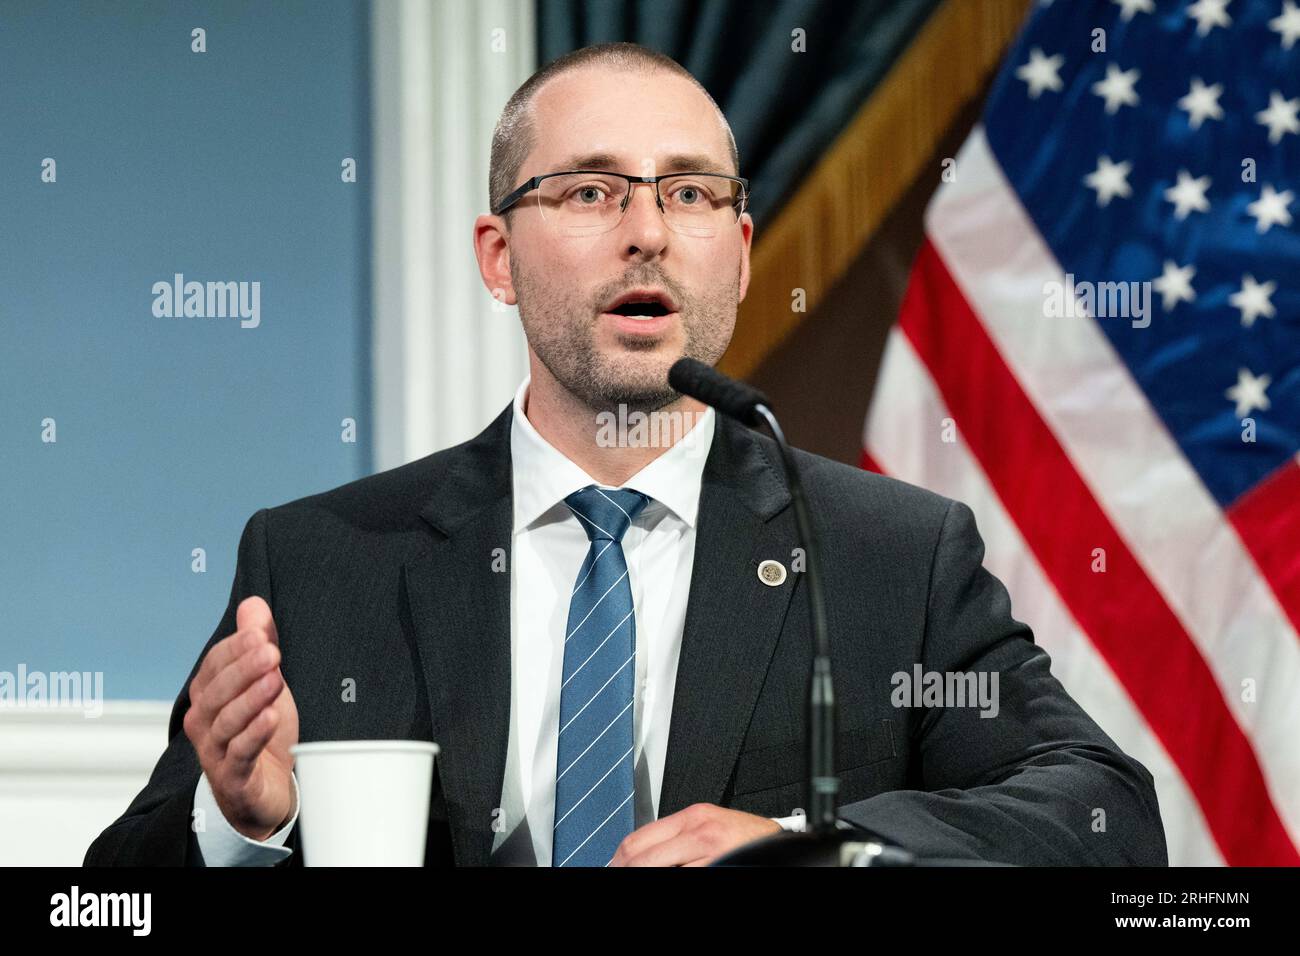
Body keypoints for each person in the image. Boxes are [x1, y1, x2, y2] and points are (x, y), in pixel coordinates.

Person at [85, 41, 1167, 867]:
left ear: (739, 257)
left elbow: (1102, 808)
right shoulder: (321, 559)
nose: (647, 229)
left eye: (690, 192)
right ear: (498, 258)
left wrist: (799, 850)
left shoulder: (890, 554)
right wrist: (240, 821)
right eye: (592, 191)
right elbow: (106, 893)